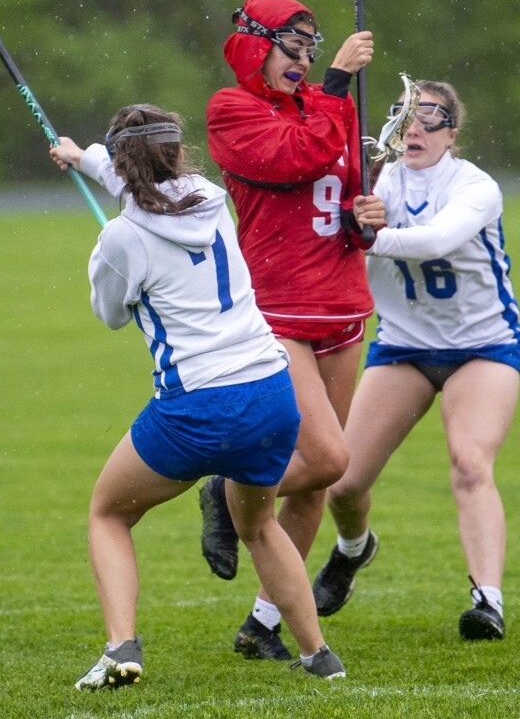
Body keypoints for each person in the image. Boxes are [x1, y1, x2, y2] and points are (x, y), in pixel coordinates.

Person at [49, 103, 347, 690]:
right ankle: (319, 656)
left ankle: (121, 648)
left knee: (109, 513)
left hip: (197, 405)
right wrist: (82, 157)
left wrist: (113, 259)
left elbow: (110, 315)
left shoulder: (121, 237)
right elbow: (141, 187)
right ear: (175, 154)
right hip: (270, 391)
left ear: (125, 164)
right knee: (259, 525)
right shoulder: (210, 197)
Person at [200, 0, 386, 661]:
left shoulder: (329, 106)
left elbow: (338, 196)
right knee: (329, 459)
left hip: (343, 305)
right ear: (256, 44)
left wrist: (365, 221)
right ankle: (227, 491)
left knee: (316, 482)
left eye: (312, 50)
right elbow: (291, 161)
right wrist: (336, 83)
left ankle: (264, 624)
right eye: (293, 47)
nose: (304, 61)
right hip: (279, 311)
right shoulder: (232, 110)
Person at [312, 81, 520, 641]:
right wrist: (352, 211)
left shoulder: (474, 186)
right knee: (342, 483)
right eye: (406, 114)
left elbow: (436, 240)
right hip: (404, 344)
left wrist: (367, 237)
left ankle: (488, 601)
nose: (416, 127)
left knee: (470, 463)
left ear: (452, 133)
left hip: (482, 344)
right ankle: (353, 549)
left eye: (431, 117)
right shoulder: (374, 180)